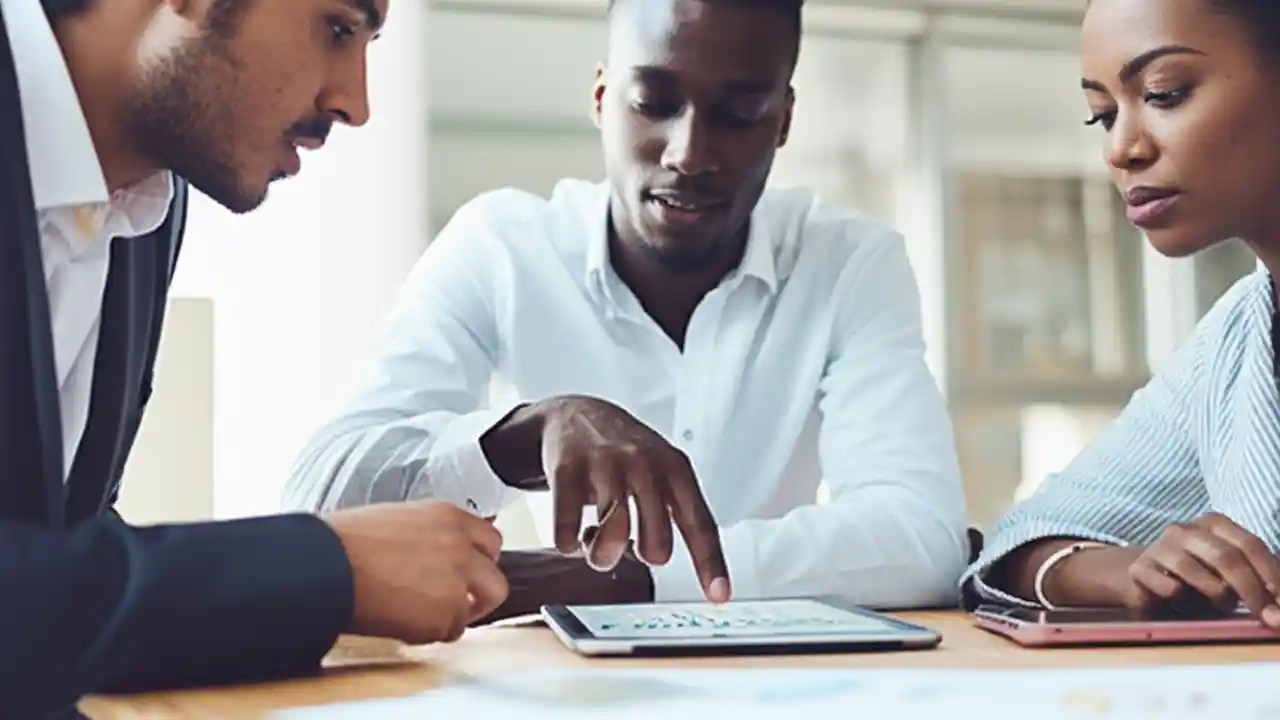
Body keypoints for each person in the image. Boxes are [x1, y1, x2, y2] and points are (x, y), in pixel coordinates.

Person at [284, 0, 969, 620]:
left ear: (783, 121)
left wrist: (616, 580)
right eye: (652, 102)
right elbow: (318, 512)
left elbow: (920, 540)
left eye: (738, 114)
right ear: (602, 97)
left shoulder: (851, 262)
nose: (689, 154)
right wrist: (516, 438)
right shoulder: (500, 247)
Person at [0, 0, 508, 716]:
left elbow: (56, 549)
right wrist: (323, 570)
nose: (355, 103)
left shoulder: (145, 199)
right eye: (337, 28)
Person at [965, 0, 1280, 630]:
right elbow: (1018, 541)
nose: (1121, 148)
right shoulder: (1236, 340)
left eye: (1164, 94)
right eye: (1103, 115)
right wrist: (1130, 571)